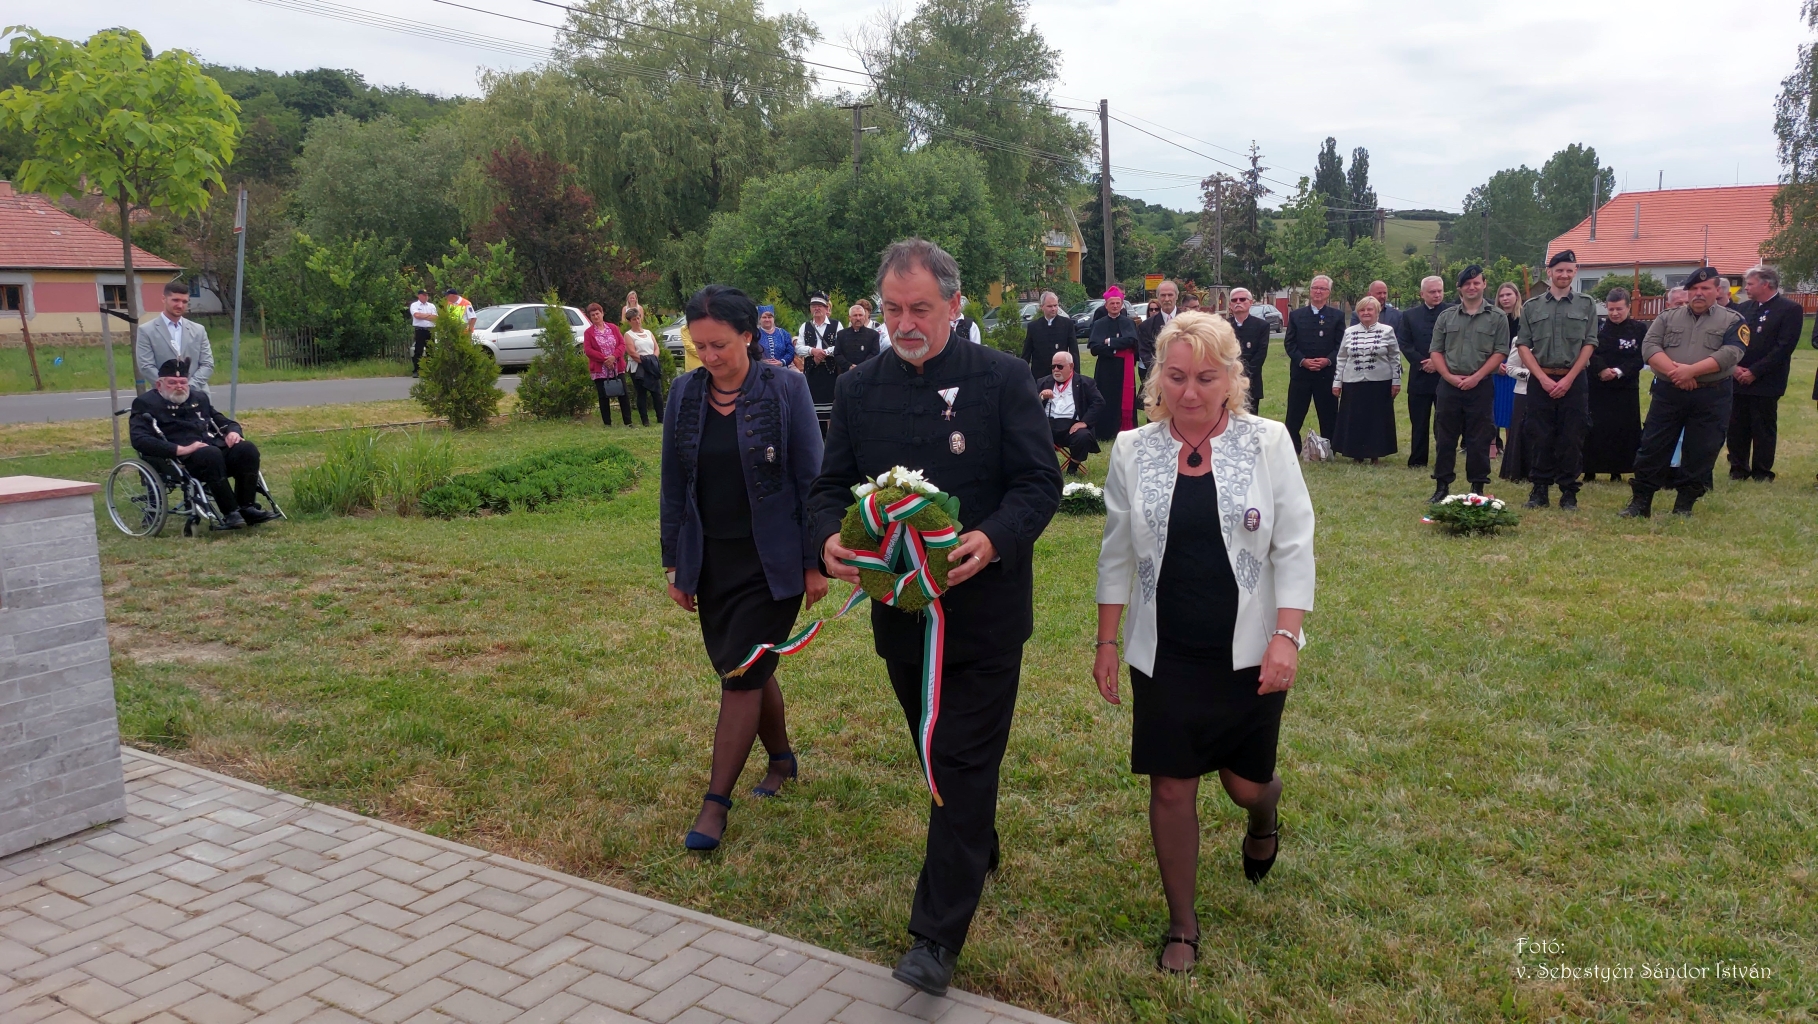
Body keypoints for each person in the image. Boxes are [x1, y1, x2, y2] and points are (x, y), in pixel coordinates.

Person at [810, 238, 1062, 997]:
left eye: (921, 308)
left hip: (983, 616)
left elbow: (1039, 483)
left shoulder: (1003, 379)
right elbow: (829, 489)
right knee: (934, 750)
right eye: (892, 309)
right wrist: (826, 540)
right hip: (901, 614)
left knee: (959, 758)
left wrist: (995, 537)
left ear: (954, 304)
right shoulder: (857, 390)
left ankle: (934, 938)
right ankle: (972, 835)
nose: (905, 323)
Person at [1091, 311, 1314, 975]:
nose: (1189, 392)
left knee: (1245, 785)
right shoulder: (1133, 450)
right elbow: (1116, 553)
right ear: (1159, 375)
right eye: (1177, 376)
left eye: (1206, 378)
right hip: (1167, 652)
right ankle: (1182, 925)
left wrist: (1287, 636)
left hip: (1248, 651)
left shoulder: (1269, 442)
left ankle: (1264, 814)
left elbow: (1295, 545)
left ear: (1232, 380)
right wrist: (1108, 641)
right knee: (1170, 788)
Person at [660, 285, 825, 852]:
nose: (709, 356)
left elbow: (812, 481)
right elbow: (673, 486)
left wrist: (814, 562)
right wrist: (673, 563)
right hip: (712, 561)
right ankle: (781, 760)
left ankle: (714, 806)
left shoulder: (787, 388)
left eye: (720, 344)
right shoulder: (683, 394)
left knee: (742, 674)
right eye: (699, 345)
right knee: (748, 668)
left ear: (750, 337)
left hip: (771, 563)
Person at [1621, 267, 1746, 517]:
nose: (1698, 293)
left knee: (1702, 449)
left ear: (1717, 291)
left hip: (1711, 395)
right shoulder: (1667, 317)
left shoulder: (1733, 320)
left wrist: (1692, 372)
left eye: (1705, 288)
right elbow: (1650, 346)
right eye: (1694, 289)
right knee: (1653, 445)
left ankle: (1684, 505)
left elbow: (1731, 353)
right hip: (1670, 392)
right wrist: (1677, 374)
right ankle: (1641, 502)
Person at [129, 358, 280, 530]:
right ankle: (231, 513)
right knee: (211, 454)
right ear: (159, 385)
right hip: (181, 458)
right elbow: (139, 439)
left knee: (247, 449)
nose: (179, 386)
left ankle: (247, 508)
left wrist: (233, 432)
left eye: (182, 382)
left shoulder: (198, 397)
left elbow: (223, 421)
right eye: (172, 383)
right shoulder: (146, 403)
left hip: (211, 448)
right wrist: (180, 449)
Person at [1516, 250, 1598, 510]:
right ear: (1549, 272)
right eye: (1559, 270)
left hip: (1574, 381)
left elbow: (1590, 343)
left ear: (1575, 272)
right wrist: (1542, 378)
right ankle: (1539, 489)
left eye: (1569, 270)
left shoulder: (1586, 304)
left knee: (1572, 436)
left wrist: (1569, 379)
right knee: (1539, 435)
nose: (1564, 275)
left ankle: (1568, 491)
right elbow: (1524, 346)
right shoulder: (1532, 306)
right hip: (1541, 380)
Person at [1427, 265, 1509, 501]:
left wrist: (1476, 377)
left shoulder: (1497, 317)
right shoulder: (1446, 316)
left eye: (1476, 282)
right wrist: (1450, 377)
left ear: (1484, 284)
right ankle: (1442, 486)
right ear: (1460, 288)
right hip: (1449, 385)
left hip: (1481, 385)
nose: (1472, 287)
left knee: (1480, 439)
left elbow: (1500, 351)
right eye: (1466, 283)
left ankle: (1477, 488)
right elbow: (1436, 350)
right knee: (1445, 438)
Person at [1728, 266, 1803, 481]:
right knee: (1736, 426)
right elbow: (1733, 340)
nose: (1746, 288)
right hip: (1738, 377)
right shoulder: (1743, 309)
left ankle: (1762, 471)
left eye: (1750, 284)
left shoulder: (1789, 309)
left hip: (1767, 380)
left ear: (1766, 284)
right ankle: (1738, 468)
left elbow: (1784, 346)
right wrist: (1734, 368)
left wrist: (1755, 371)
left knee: (1763, 427)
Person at [1582, 287, 1646, 481]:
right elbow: (1589, 351)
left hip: (1625, 387)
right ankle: (1590, 469)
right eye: (1611, 309)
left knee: (1622, 430)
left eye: (1619, 309)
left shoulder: (1639, 329)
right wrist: (1601, 369)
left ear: (1628, 307)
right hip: (1597, 385)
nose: (1615, 313)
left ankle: (1617, 470)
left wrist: (1618, 372)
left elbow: (1640, 357)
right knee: (1594, 429)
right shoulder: (1597, 327)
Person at [1330, 296, 1401, 463]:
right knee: (1354, 418)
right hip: (1352, 380)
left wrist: (1396, 381)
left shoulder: (1387, 330)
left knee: (1376, 418)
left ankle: (1376, 453)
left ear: (1377, 312)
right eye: (1362, 310)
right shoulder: (1349, 331)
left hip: (1380, 381)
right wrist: (1337, 382)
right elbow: (1341, 358)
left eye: (1370, 309)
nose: (1366, 313)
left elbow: (1395, 357)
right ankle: (1356, 453)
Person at [1283, 275, 1343, 454]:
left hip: (1326, 373)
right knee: (1294, 414)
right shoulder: (1296, 315)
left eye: (1322, 289)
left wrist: (1328, 360)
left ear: (1328, 293)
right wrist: (1303, 361)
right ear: (1310, 291)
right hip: (1301, 373)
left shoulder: (1337, 316)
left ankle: (1329, 449)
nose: (1318, 291)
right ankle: (1292, 449)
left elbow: (1340, 345)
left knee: (1329, 414)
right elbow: (1290, 344)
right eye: (1315, 288)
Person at [1397, 276, 1453, 469]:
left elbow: (1455, 342)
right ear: (1422, 294)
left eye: (1439, 291)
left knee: (1444, 421)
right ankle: (1418, 460)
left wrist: (1438, 362)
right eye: (1432, 292)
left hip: (1445, 376)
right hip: (1419, 376)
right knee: (1419, 421)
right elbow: (1404, 343)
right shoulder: (1409, 315)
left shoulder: (1453, 312)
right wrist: (1423, 362)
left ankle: (1444, 459)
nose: (1437, 295)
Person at [135, 281, 215, 394]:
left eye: (184, 301)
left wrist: (189, 387)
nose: (180, 305)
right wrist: (168, 387)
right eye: (175, 300)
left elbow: (207, 364)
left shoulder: (198, 330)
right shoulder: (146, 330)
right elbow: (146, 366)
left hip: (196, 395)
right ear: (164, 299)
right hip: (163, 398)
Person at [1089, 286, 1143, 440]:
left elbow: (1132, 341)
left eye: (1118, 303)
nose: (1115, 306)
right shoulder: (1099, 324)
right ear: (1106, 305)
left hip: (1123, 369)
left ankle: (1125, 430)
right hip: (1105, 369)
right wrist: (1116, 348)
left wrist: (1110, 342)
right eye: (1112, 303)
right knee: (1106, 398)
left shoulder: (1128, 322)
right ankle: (1106, 432)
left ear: (1121, 304)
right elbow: (1095, 348)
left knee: (1123, 398)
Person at [1039, 351, 1103, 474]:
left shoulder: (1085, 383)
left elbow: (1099, 403)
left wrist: (1084, 422)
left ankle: (1072, 468)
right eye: (1053, 367)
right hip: (1047, 426)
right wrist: (1041, 397)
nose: (1056, 370)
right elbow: (1029, 404)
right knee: (1029, 434)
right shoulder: (1042, 382)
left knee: (1083, 436)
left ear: (1071, 366)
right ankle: (1042, 468)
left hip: (1072, 426)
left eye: (1060, 366)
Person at [583, 303, 633, 427]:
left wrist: (613, 357)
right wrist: (605, 359)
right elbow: (588, 350)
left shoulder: (613, 328)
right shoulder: (588, 333)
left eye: (597, 313)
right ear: (590, 317)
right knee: (603, 397)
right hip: (600, 369)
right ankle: (607, 423)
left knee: (623, 394)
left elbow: (622, 344)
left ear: (602, 313)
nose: (595, 316)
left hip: (617, 367)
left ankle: (628, 422)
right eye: (593, 315)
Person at [1490, 283, 1523, 456]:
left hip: (1516, 368)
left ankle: (1512, 447)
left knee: (1511, 410)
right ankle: (1493, 446)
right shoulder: (1493, 318)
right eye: (1501, 295)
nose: (1505, 298)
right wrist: (1496, 365)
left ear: (1516, 296)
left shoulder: (1524, 319)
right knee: (1493, 407)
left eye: (1508, 294)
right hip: (1496, 367)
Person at [1227, 288, 1270, 413]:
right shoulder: (1224, 326)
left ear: (1250, 302)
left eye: (1242, 299)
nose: (1238, 302)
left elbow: (1260, 354)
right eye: (1234, 300)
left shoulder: (1261, 326)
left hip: (1252, 380)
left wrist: (1243, 374)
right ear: (1230, 305)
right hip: (1228, 380)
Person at [798, 293, 842, 411]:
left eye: (820, 306)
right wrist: (812, 351)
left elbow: (840, 345)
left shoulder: (836, 325)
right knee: (813, 409)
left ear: (827, 308)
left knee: (832, 409)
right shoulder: (804, 326)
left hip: (830, 372)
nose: (816, 308)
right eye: (814, 306)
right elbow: (798, 348)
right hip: (812, 371)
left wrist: (824, 353)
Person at [1023, 290, 1078, 377]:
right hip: (1040, 374)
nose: (1053, 309)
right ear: (1042, 307)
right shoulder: (1033, 327)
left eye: (1055, 305)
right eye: (1049, 306)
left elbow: (1074, 351)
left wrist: (1076, 375)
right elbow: (1026, 353)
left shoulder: (1067, 324)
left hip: (1061, 373)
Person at [624, 306, 664, 427]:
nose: (637, 321)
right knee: (641, 393)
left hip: (651, 365)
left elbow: (656, 348)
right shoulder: (628, 334)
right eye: (634, 319)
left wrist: (653, 359)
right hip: (638, 367)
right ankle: (645, 420)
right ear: (629, 321)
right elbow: (631, 352)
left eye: (638, 318)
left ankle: (661, 418)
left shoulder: (648, 332)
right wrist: (645, 361)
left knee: (657, 393)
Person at [1137, 279, 1180, 380]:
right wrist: (1162, 373)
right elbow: (1145, 354)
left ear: (1177, 296)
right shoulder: (1146, 326)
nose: (1166, 299)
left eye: (1170, 295)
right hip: (1159, 378)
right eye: (1163, 295)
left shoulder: (1190, 320)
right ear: (1158, 297)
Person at [834, 303, 882, 374]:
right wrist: (849, 366)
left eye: (860, 315)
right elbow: (837, 354)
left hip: (867, 373)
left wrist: (862, 366)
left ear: (864, 317)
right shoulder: (841, 334)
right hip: (847, 374)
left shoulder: (873, 335)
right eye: (855, 315)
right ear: (849, 318)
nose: (858, 318)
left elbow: (874, 353)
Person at [409, 288, 437, 377]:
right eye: (424, 295)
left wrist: (423, 316)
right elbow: (416, 315)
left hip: (430, 330)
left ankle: (430, 370)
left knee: (431, 350)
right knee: (419, 350)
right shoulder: (414, 305)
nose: (426, 297)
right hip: (420, 330)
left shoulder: (431, 306)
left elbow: (435, 318)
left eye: (427, 295)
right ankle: (416, 370)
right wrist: (429, 316)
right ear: (419, 296)